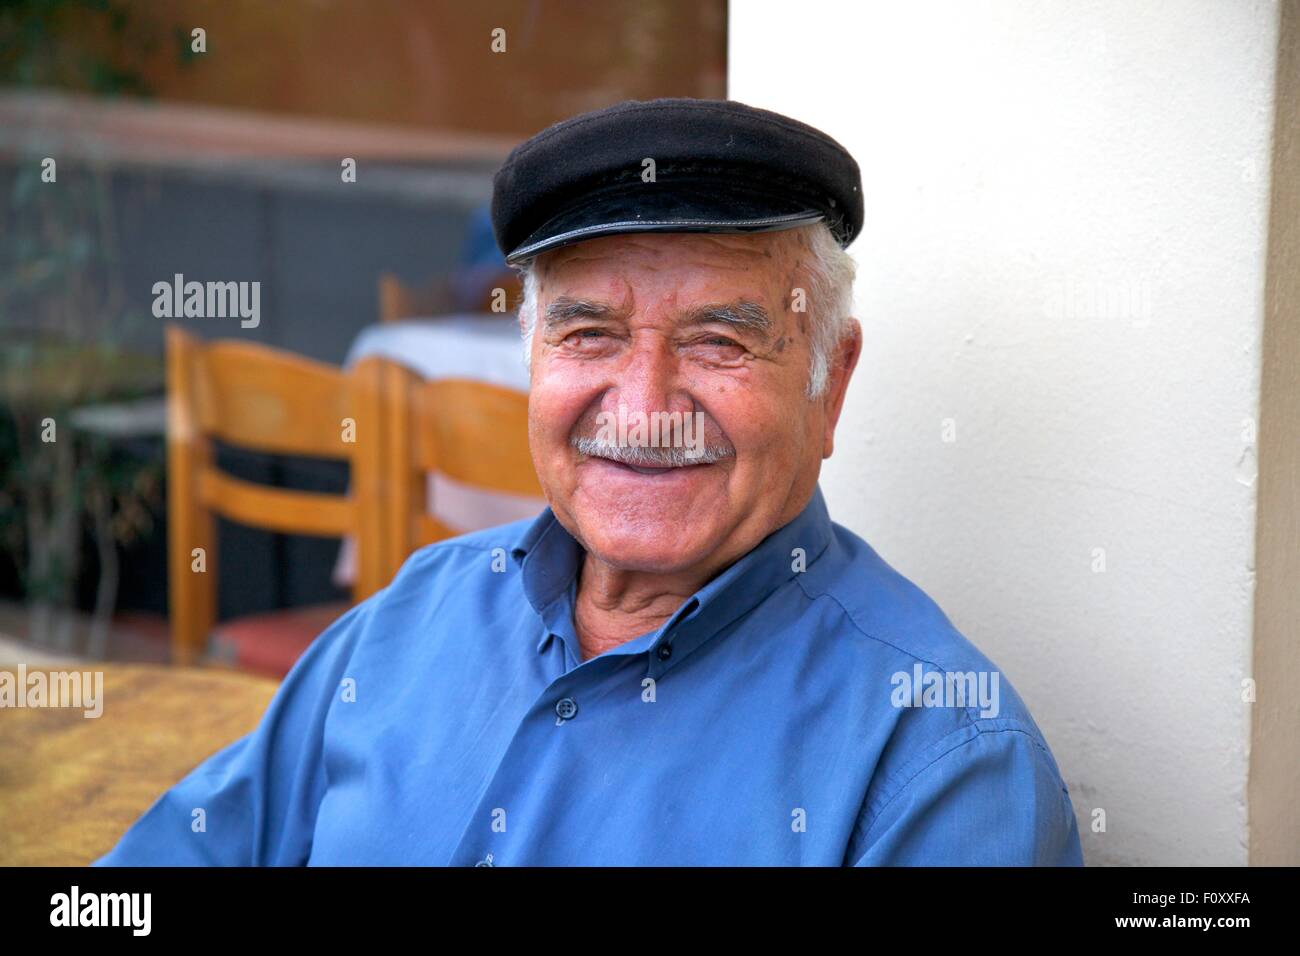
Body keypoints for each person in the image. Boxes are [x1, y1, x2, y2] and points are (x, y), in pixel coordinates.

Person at [94, 98, 1083, 866]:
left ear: (830, 383)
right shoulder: (416, 612)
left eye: (719, 339)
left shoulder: (937, 761)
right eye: (588, 332)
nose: (643, 405)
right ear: (531, 359)